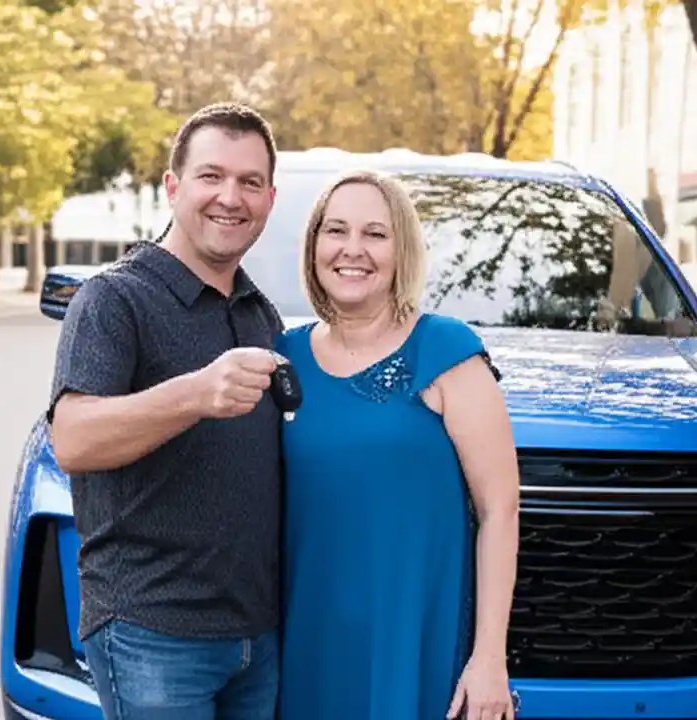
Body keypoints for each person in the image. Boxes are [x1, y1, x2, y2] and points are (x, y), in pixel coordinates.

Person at [46, 103, 286, 720]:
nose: (230, 197)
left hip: (256, 637)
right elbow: (72, 440)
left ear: (270, 198)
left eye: (249, 182)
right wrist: (194, 393)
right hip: (152, 633)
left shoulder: (260, 314)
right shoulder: (113, 299)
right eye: (211, 176)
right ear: (173, 187)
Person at [275, 169, 521, 720]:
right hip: (307, 640)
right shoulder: (280, 359)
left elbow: (499, 510)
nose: (353, 250)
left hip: (413, 641)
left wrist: (489, 659)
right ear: (315, 245)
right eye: (336, 231)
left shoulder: (446, 351)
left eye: (376, 234)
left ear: (401, 250)